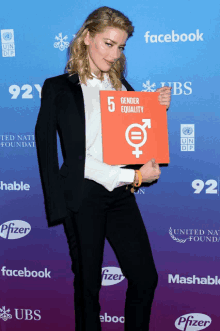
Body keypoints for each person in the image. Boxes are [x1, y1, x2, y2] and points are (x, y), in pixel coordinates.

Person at [35, 6, 171, 331]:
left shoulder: (122, 86)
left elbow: (134, 141)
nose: (114, 54)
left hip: (120, 196)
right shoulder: (58, 88)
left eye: (120, 47)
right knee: (88, 288)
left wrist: (156, 110)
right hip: (82, 197)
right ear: (86, 38)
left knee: (145, 278)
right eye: (107, 44)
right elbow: (56, 154)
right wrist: (60, 207)